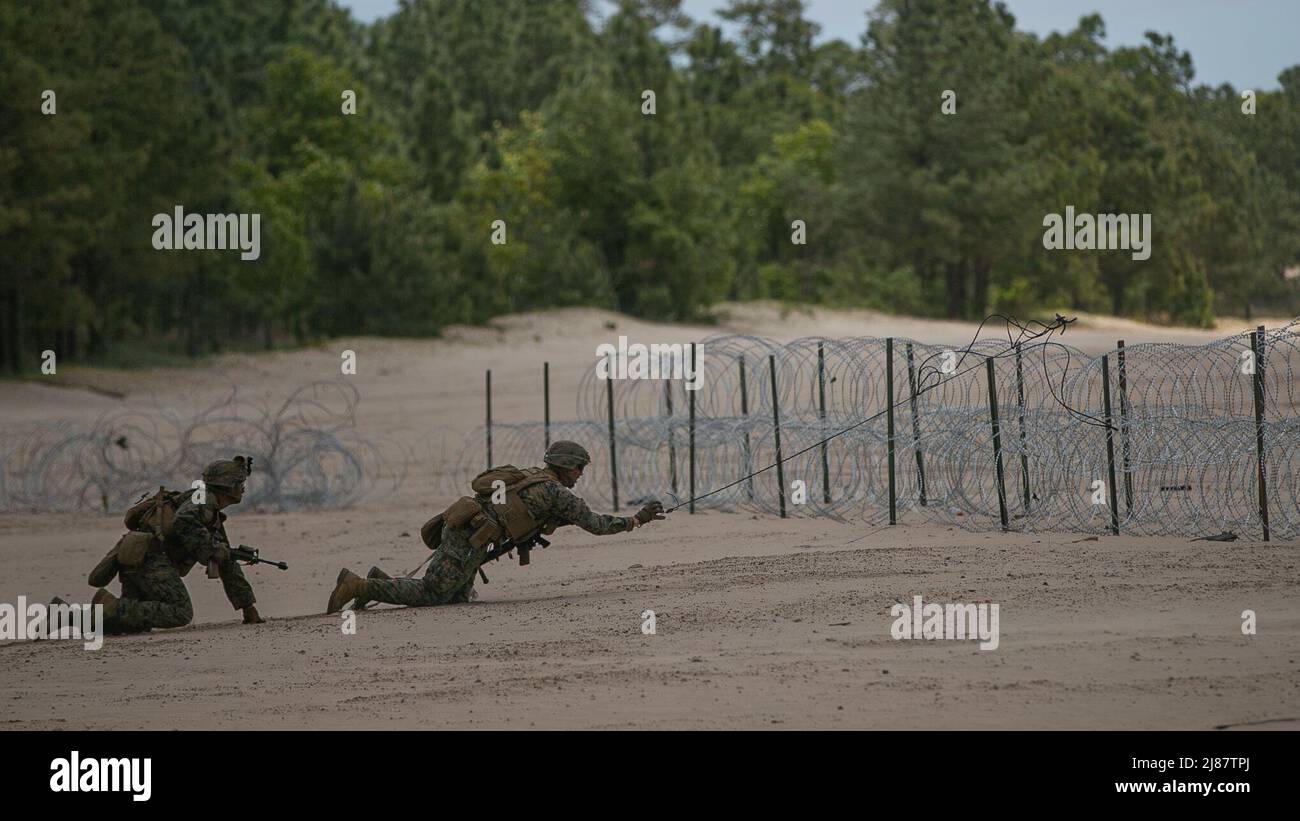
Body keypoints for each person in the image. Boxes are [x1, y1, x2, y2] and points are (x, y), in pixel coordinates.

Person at [327, 441, 665, 612]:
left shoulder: (536, 477)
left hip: (471, 533)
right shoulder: (556, 493)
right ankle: (357, 586)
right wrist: (637, 520)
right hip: (468, 536)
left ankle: (380, 581)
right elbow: (595, 524)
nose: (581, 474)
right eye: (579, 468)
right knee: (432, 594)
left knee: (455, 598)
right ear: (565, 466)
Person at [94, 456, 265, 632]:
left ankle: (79, 615)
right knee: (180, 612)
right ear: (228, 485)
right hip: (149, 560)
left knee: (130, 622)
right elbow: (183, 519)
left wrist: (248, 607)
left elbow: (226, 561)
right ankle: (109, 608)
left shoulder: (207, 508)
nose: (243, 489)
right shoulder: (202, 500)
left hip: (138, 558)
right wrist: (210, 549)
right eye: (239, 483)